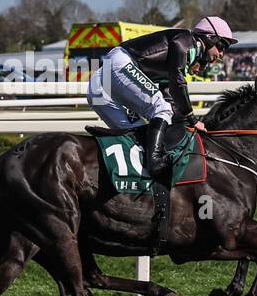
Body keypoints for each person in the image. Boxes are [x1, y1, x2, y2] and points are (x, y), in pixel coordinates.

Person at [87, 16, 239, 176]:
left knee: (137, 132)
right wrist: (193, 119)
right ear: (210, 38)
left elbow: (170, 95)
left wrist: (186, 123)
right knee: (161, 109)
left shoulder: (177, 55)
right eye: (222, 46)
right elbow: (177, 82)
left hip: (100, 83)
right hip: (118, 65)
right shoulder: (185, 41)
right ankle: (155, 163)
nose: (221, 54)